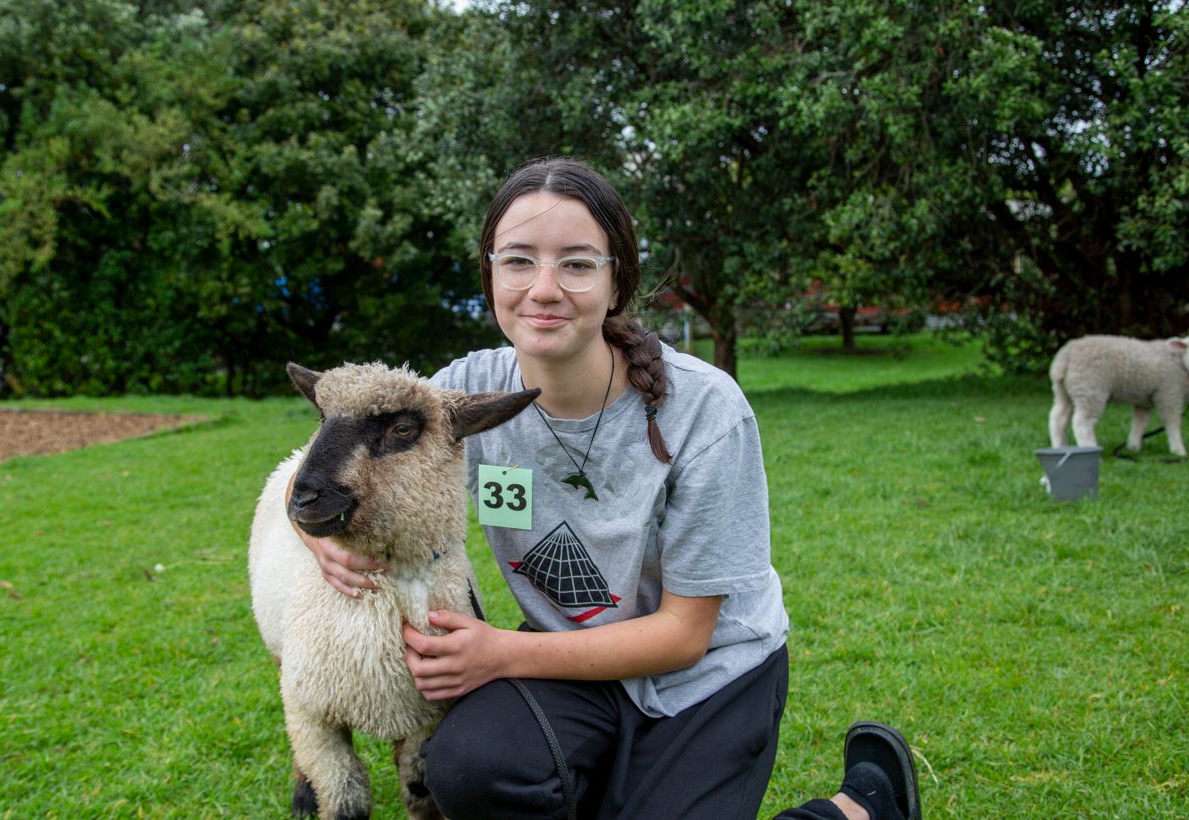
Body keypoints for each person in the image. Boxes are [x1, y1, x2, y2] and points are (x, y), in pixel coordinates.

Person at [293, 157, 919, 819]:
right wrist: (314, 537)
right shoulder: (457, 397)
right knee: (469, 766)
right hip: (567, 661)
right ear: (490, 276)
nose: (543, 288)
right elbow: (326, 458)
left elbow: (684, 635)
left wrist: (502, 653)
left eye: (577, 263)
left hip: (706, 675)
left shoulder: (705, 411)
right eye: (518, 260)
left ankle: (860, 807)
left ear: (616, 282)